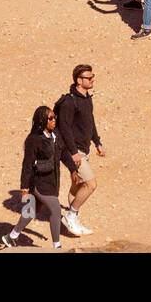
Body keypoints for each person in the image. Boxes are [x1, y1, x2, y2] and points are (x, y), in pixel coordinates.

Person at [0, 105, 79, 250]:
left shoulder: (55, 134)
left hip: (53, 181)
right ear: (43, 121)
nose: (54, 120)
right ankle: (57, 247)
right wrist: (24, 187)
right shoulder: (34, 140)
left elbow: (64, 153)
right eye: (50, 118)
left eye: (54, 117)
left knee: (31, 212)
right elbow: (27, 165)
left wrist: (73, 169)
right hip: (40, 183)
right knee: (56, 210)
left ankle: (10, 237)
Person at [55, 65, 106, 236]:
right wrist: (73, 152)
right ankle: (71, 216)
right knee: (91, 184)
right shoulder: (69, 102)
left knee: (77, 186)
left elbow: (90, 121)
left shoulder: (86, 98)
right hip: (73, 151)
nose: (92, 80)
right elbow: (64, 128)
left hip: (82, 149)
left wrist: (97, 142)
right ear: (79, 80)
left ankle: (73, 221)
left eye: (93, 76)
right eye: (88, 77)